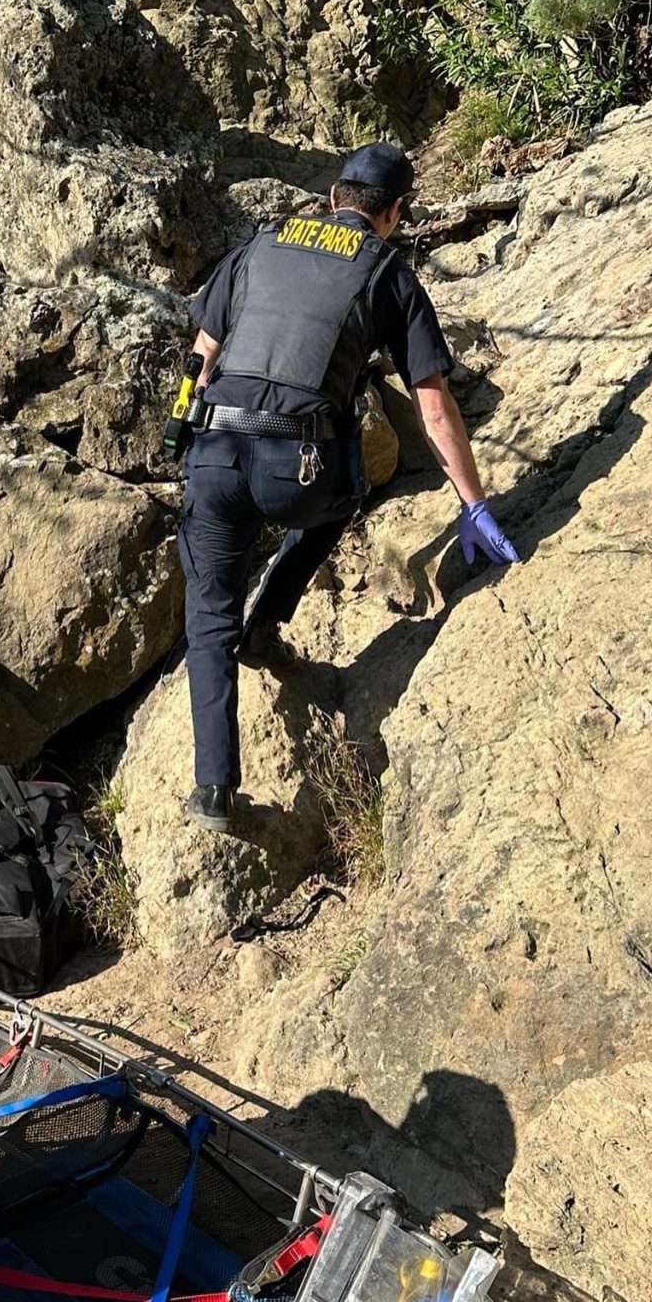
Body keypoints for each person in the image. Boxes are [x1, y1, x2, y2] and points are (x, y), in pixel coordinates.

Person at [179, 141, 519, 832]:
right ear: (393, 212)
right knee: (347, 490)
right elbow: (431, 405)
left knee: (208, 612)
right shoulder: (388, 272)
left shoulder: (259, 245)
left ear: (334, 196)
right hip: (300, 476)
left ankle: (213, 789)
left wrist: (182, 422)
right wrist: (472, 503)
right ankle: (265, 623)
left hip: (215, 452)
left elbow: (202, 353)